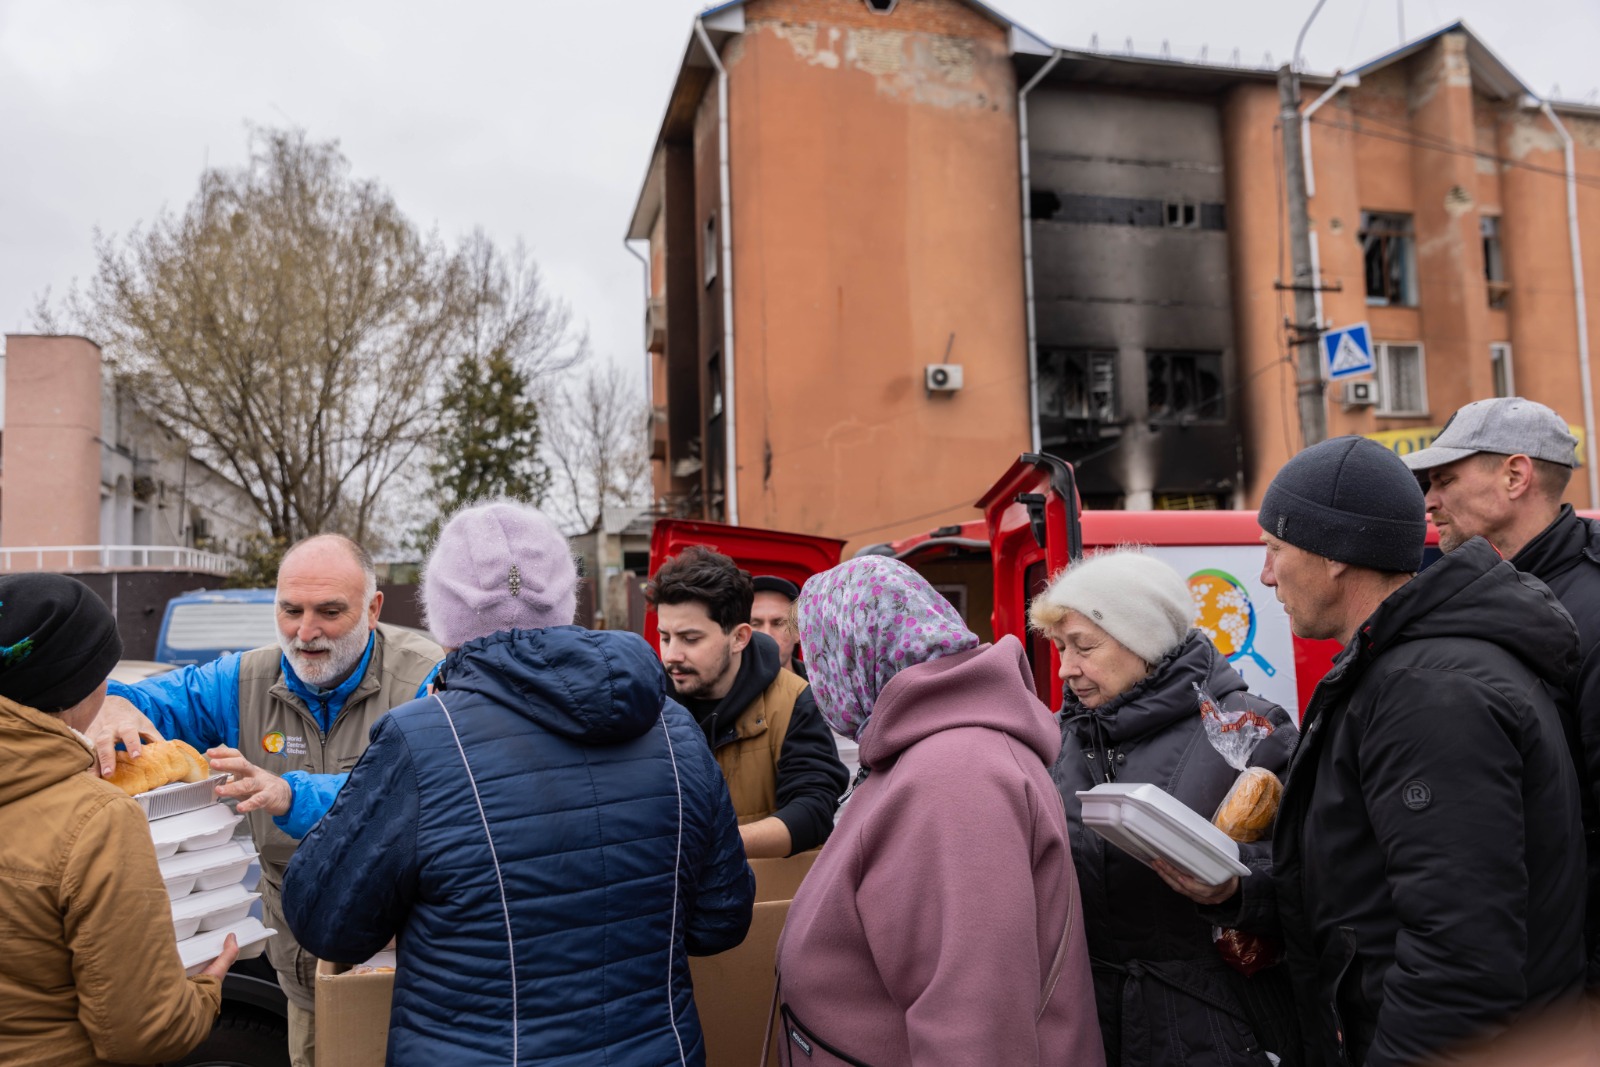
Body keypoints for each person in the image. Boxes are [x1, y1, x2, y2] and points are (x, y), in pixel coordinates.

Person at [282, 501, 754, 1065]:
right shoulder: (672, 724)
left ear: (444, 615)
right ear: (564, 600)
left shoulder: (423, 737)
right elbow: (721, 919)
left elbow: (326, 924)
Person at [1171, 436, 1584, 1067]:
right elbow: (1368, 884)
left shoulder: (1430, 695)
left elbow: (1460, 963)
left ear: (1335, 554)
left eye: (1276, 549)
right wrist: (1241, 892)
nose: (1266, 574)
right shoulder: (1397, 673)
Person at [86, 534, 442, 1066]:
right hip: (300, 970)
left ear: (373, 609)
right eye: (290, 610)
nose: (305, 632)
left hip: (405, 975)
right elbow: (156, 698)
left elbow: (426, 797)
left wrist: (289, 792)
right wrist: (116, 703)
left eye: (329, 611)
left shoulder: (427, 679)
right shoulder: (242, 678)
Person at [774, 557, 1104, 1067]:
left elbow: (972, 1028)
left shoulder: (954, 775)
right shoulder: (932, 747)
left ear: (855, 655)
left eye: (814, 658)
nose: (813, 681)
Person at [1029, 548, 1300, 1066]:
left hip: (1215, 1031)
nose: (1065, 669)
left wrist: (1238, 890)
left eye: (1083, 646)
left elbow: (1317, 878)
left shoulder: (1252, 731)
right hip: (1089, 1029)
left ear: (1144, 641)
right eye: (1060, 647)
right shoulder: (1056, 742)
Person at [1400, 395, 1600, 985]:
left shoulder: (1592, 605)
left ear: (1516, 475)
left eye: (1444, 480)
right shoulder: (1482, 595)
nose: (1429, 502)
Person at [0, 573, 238, 1065]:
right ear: (76, 684)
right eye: (103, 671)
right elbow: (145, 1032)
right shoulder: (97, 818)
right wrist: (206, 989)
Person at [646, 546, 847, 859]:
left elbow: (813, 811)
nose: (671, 655)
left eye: (691, 639)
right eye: (665, 636)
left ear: (739, 637)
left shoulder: (795, 699)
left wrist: (713, 842)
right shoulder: (646, 705)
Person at [750, 575, 805, 678]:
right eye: (755, 624)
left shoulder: (820, 689)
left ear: (798, 631)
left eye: (778, 623)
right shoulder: (721, 689)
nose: (767, 634)